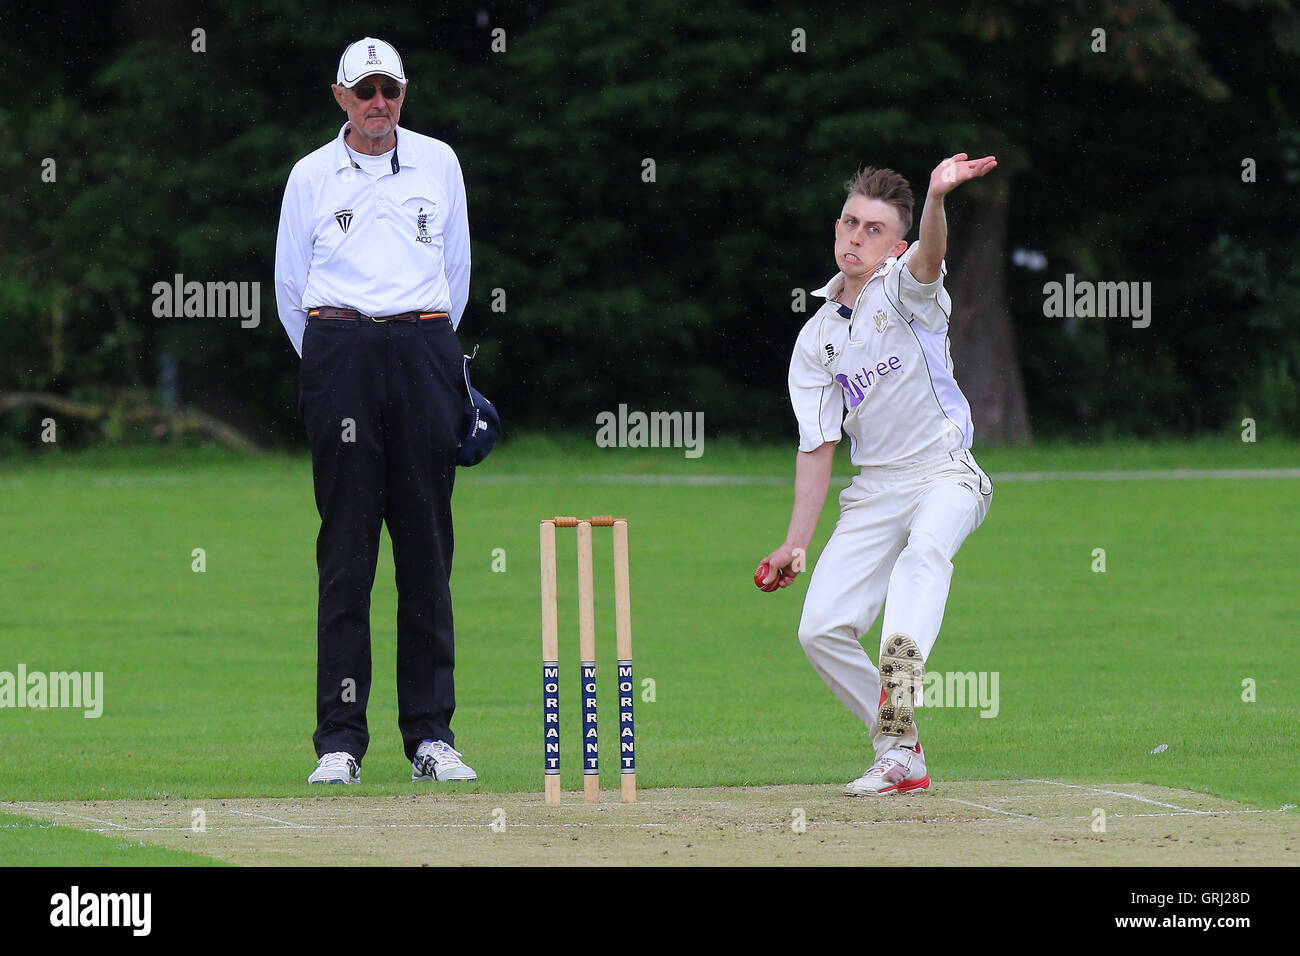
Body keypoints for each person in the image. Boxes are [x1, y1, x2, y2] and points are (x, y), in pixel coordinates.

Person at [760, 154, 998, 796]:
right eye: (848, 223)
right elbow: (817, 446)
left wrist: (939, 201)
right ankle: (901, 750)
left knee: (925, 555)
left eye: (872, 230)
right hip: (875, 490)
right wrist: (795, 542)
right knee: (819, 628)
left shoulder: (907, 287)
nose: (855, 238)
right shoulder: (815, 339)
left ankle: (898, 697)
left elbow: (929, 256)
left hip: (946, 472)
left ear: (894, 243)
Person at [274, 37, 476, 784]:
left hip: (424, 348)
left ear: (404, 92)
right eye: (364, 92)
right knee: (348, 552)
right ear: (340, 97)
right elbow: (291, 285)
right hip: (339, 354)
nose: (378, 104)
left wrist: (426, 352)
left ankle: (430, 736)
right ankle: (339, 741)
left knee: (427, 550)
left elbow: (454, 272)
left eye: (389, 90)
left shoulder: (439, 162)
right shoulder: (309, 176)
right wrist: (339, 360)